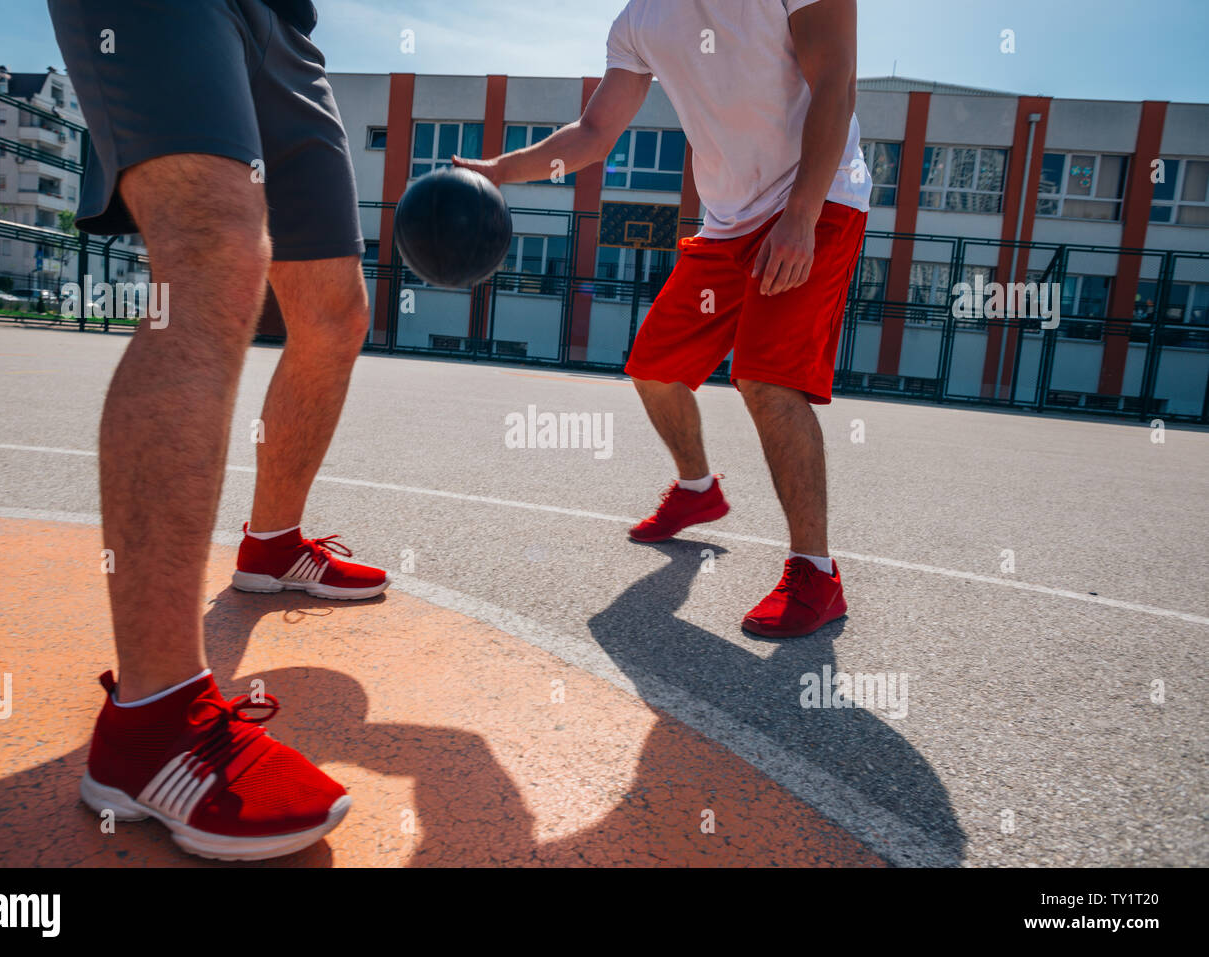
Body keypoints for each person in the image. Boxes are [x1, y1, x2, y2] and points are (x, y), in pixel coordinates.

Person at [48, 0, 383, 859]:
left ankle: (272, 545)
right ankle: (149, 723)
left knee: (336, 313)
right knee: (218, 251)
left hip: (282, 22)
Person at [457, 0, 870, 639]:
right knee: (653, 367)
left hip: (817, 199)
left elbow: (836, 84)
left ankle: (816, 573)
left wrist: (801, 215)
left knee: (766, 380)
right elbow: (594, 136)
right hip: (728, 222)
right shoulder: (638, 21)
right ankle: (698, 488)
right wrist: (500, 172)